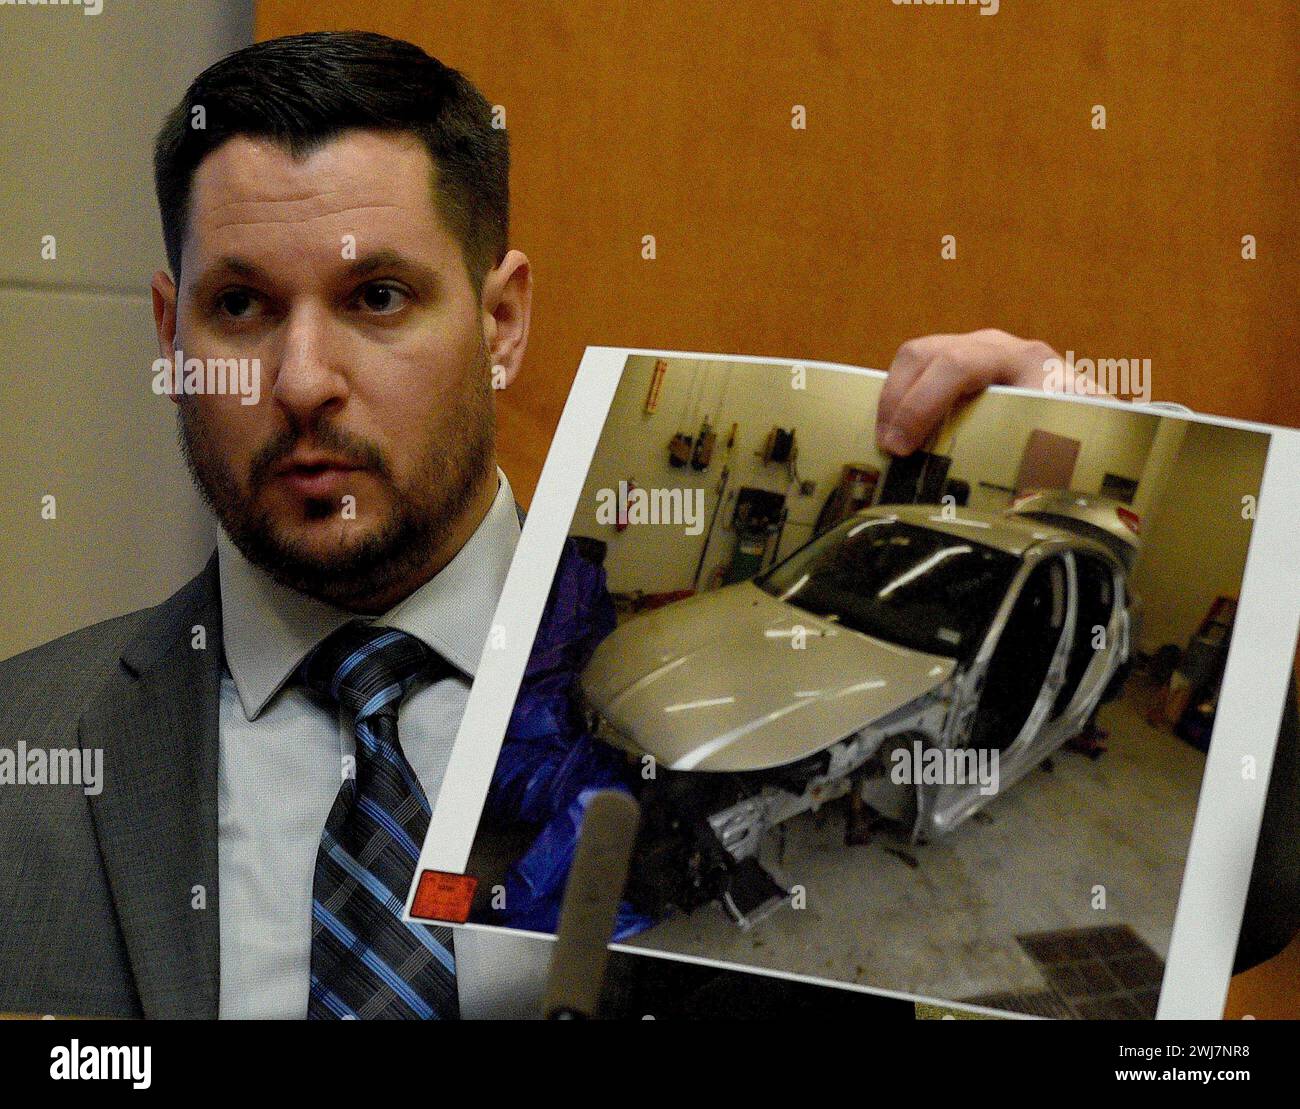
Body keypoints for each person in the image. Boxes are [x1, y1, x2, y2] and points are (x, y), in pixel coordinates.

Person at [0, 30, 1291, 1020]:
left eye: (379, 296)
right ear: (172, 339)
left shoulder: (606, 666)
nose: (300, 380)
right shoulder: (27, 750)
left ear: (502, 322)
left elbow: (1262, 886)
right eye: (239, 308)